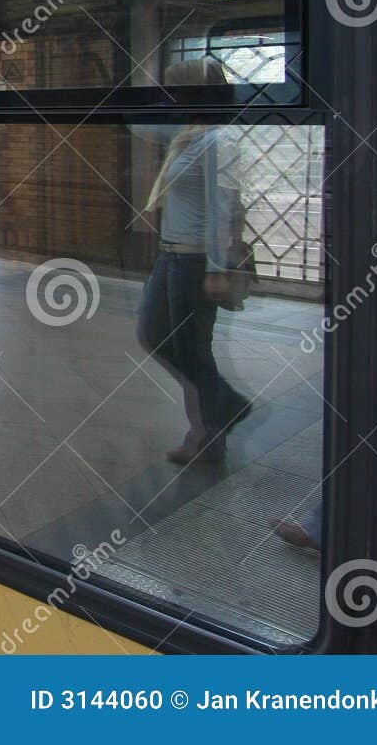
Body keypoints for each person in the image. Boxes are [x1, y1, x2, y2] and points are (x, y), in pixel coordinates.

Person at [136, 58, 254, 466]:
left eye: (174, 90)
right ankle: (225, 406)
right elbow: (139, 124)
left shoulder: (220, 141)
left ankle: (206, 437)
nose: (169, 98)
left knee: (191, 350)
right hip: (170, 255)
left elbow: (224, 208)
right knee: (154, 334)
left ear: (194, 93)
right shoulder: (189, 134)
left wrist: (217, 268)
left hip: (195, 261)